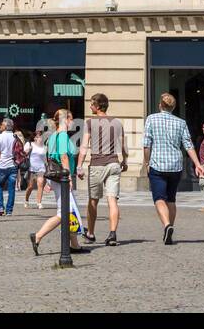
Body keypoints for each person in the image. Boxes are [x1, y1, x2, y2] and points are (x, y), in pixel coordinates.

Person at [142, 92, 204, 245]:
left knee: (159, 198)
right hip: (175, 165)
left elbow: (146, 144)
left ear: (160, 105)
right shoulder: (181, 122)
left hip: (158, 164)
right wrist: (197, 164)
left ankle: (167, 225)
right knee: (171, 198)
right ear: (174, 107)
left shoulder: (151, 119)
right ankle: (170, 228)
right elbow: (188, 145)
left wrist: (146, 162)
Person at [30, 108, 83, 256]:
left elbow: (49, 158)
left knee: (70, 210)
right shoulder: (63, 136)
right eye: (71, 119)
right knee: (64, 212)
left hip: (56, 177)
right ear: (65, 120)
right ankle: (38, 236)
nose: (72, 122)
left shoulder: (53, 136)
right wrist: (69, 178)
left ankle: (75, 245)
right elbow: (63, 156)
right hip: (62, 178)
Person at [80, 93, 128, 245]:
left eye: (92, 104)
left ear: (98, 106)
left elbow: (84, 146)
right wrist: (125, 161)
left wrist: (79, 165)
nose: (90, 106)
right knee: (112, 200)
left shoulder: (89, 123)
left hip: (97, 166)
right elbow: (123, 145)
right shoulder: (117, 123)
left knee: (93, 201)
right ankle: (112, 234)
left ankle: (91, 233)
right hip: (114, 165)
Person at [0, 118, 20, 216]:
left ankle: (0, 208)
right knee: (11, 189)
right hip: (13, 165)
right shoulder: (15, 136)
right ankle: (9, 210)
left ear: (6, 126)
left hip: (2, 166)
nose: (0, 126)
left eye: (1, 125)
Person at [25, 131, 48, 208]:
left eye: (41, 137)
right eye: (38, 137)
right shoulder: (30, 144)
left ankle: (39, 202)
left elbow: (45, 159)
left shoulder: (44, 147)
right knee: (30, 187)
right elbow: (24, 153)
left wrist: (47, 166)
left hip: (41, 168)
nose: (40, 138)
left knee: (40, 184)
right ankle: (26, 200)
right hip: (31, 169)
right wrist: (28, 150)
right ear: (34, 138)